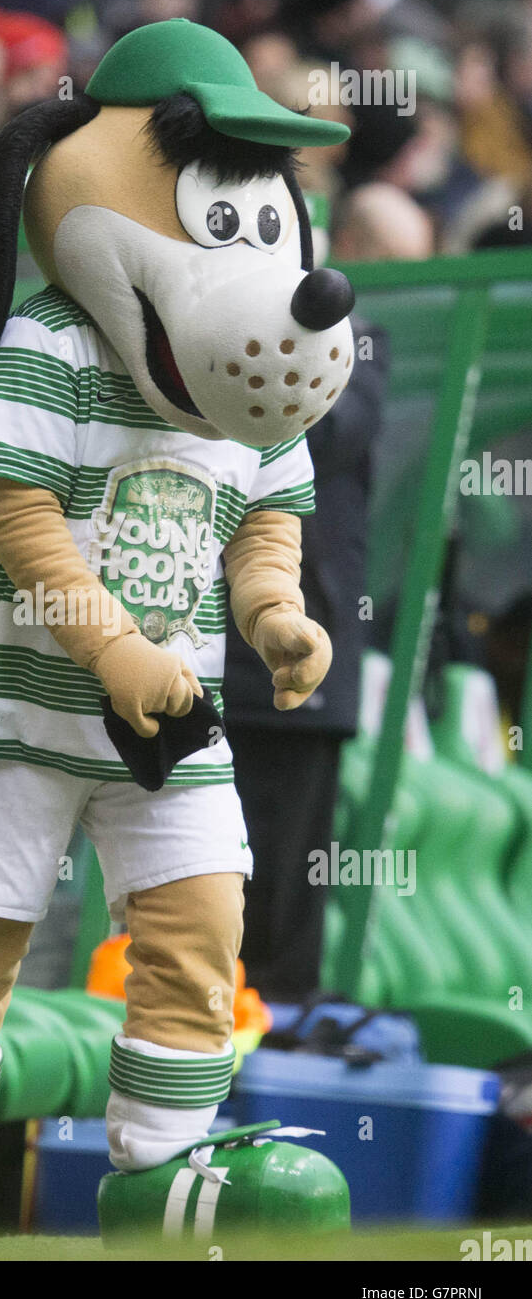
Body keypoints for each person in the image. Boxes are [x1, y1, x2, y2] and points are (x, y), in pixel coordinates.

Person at [221, 182, 433, 1001]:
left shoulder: (360, 345)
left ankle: (270, 1032)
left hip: (300, 647)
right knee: (194, 860)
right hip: (206, 644)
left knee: (281, 872)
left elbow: (333, 435)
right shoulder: (209, 340)